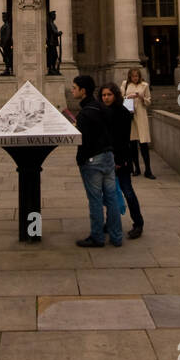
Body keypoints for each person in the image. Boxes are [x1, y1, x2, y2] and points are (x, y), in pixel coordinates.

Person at [71, 75, 123, 248]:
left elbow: (84, 141)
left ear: (83, 90)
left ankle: (97, 237)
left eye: (74, 88)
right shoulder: (102, 108)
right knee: (112, 198)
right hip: (108, 156)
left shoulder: (86, 113)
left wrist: (80, 160)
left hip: (93, 159)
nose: (72, 90)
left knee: (95, 200)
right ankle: (116, 237)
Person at [100, 83, 143, 239]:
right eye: (104, 95)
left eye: (109, 95)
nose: (106, 98)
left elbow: (122, 139)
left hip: (121, 158)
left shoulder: (122, 112)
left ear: (115, 95)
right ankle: (111, 222)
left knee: (127, 191)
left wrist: (119, 160)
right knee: (110, 194)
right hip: (107, 158)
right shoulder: (103, 112)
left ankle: (138, 223)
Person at [123, 67, 154, 179]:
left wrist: (141, 97)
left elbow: (149, 101)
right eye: (132, 76)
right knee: (132, 145)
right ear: (130, 77)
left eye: (136, 76)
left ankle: (148, 169)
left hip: (141, 116)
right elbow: (121, 99)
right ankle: (136, 168)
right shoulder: (125, 84)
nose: (135, 78)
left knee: (144, 144)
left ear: (139, 76)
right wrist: (128, 97)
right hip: (130, 116)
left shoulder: (144, 85)